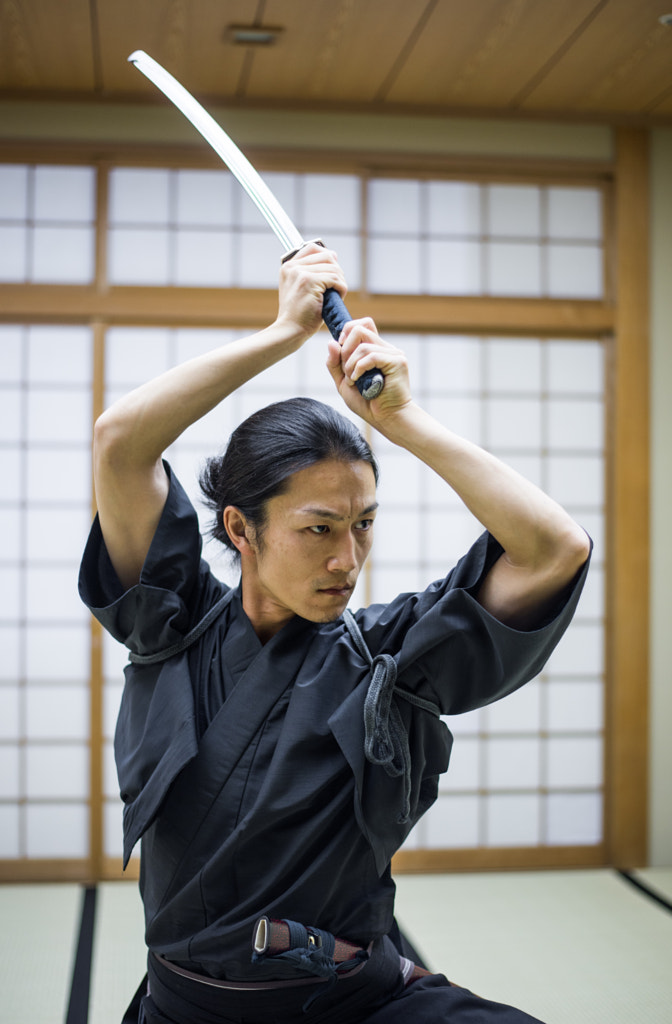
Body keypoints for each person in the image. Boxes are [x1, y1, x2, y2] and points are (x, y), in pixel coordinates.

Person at [79, 242, 591, 1024]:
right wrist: (281, 334)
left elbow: (556, 548)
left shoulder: (389, 659)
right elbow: (120, 440)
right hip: (189, 1010)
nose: (347, 559)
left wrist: (404, 422)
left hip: (358, 1001)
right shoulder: (170, 626)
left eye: (363, 525)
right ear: (240, 529)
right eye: (318, 528)